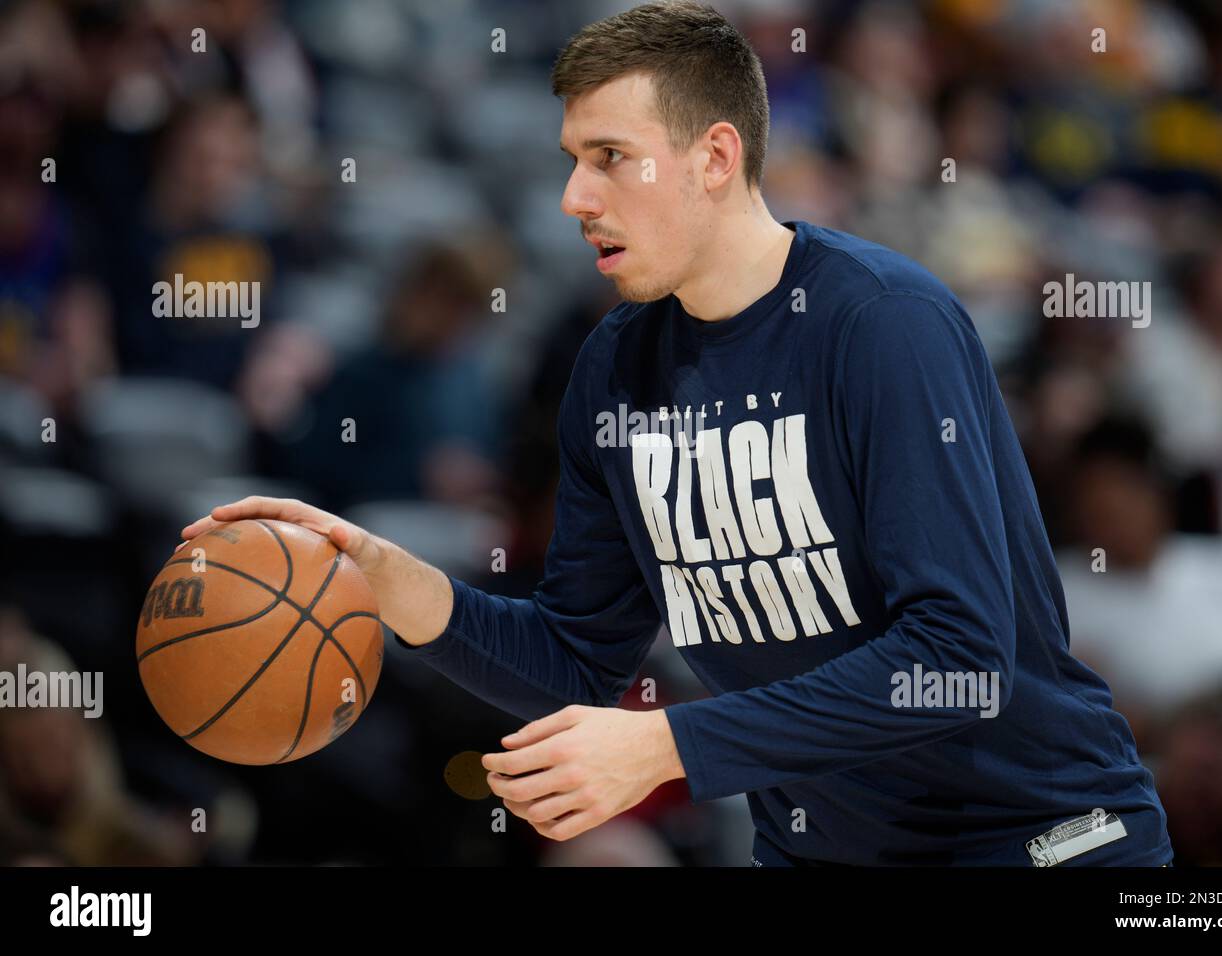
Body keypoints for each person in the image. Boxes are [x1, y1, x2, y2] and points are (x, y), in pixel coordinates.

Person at [178, 0, 1172, 866]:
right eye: (571, 162)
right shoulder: (615, 369)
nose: (574, 197)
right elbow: (576, 657)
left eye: (609, 158)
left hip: (1039, 839)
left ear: (715, 156)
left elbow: (958, 659)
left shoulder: (880, 324)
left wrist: (668, 746)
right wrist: (400, 585)